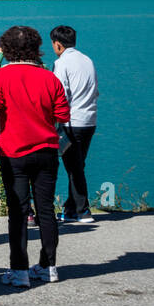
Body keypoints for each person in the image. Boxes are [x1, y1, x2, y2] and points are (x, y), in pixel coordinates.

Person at [0, 26, 70, 286]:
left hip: (14, 153)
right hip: (47, 152)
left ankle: (19, 271)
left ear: (6, 49)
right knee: (46, 210)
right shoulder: (49, 77)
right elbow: (63, 115)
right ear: (36, 47)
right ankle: (48, 266)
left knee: (18, 212)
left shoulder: (0, 77)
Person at [50, 25, 99, 224]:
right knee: (77, 165)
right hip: (90, 120)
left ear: (58, 44)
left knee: (74, 168)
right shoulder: (87, 60)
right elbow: (95, 89)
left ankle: (83, 211)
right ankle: (70, 209)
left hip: (71, 122)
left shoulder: (62, 63)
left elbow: (59, 93)